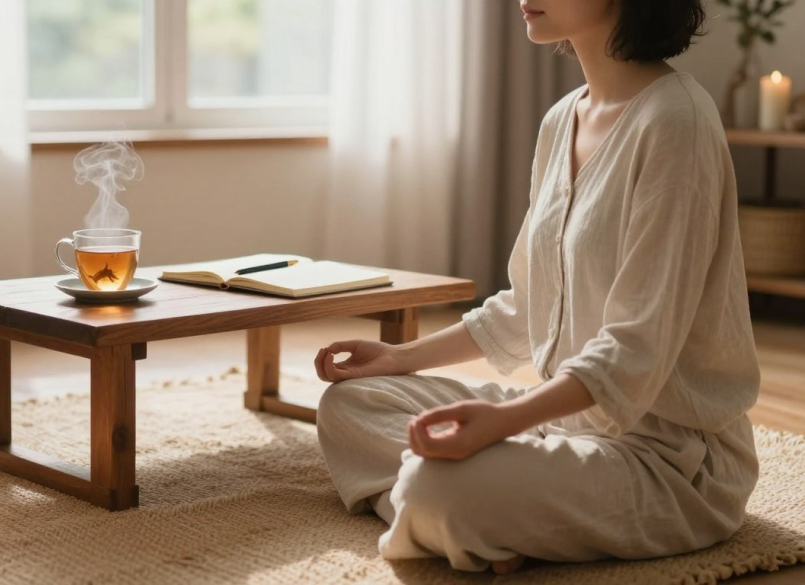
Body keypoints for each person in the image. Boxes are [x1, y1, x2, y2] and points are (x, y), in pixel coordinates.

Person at [314, 0, 761, 576]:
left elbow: (637, 345)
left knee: (434, 483)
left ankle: (460, 512)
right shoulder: (560, 120)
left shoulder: (678, 122)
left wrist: (506, 423)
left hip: (667, 463)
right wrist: (400, 358)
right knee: (351, 404)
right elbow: (530, 305)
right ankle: (485, 523)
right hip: (559, 426)